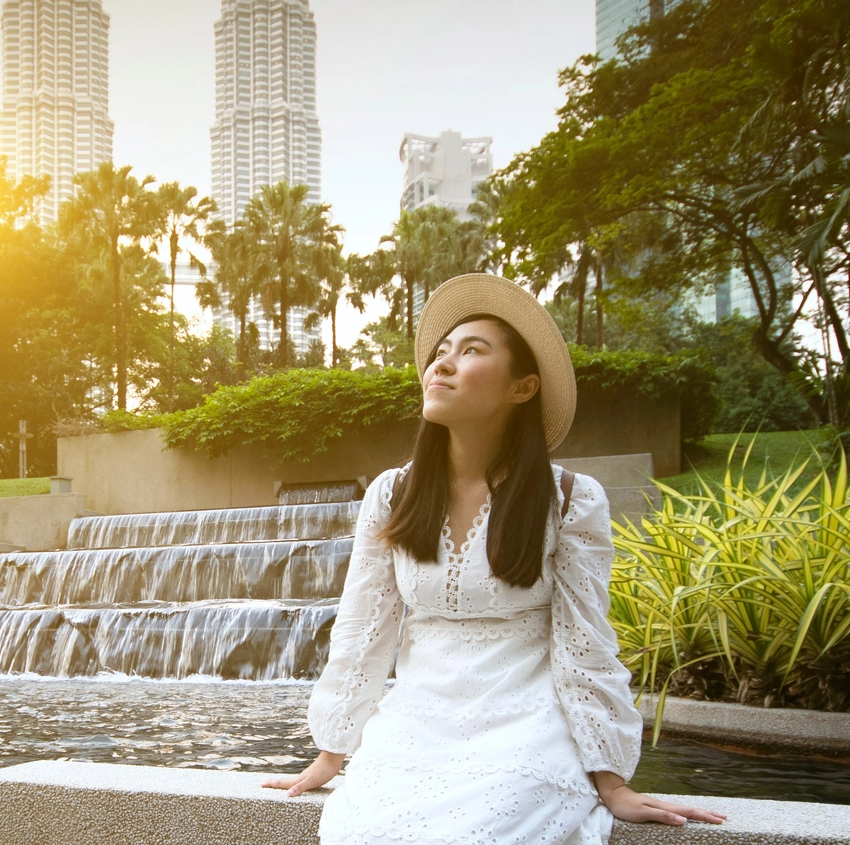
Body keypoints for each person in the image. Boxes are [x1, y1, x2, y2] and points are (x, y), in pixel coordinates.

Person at [263, 273, 724, 845]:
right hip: (416, 722)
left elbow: (585, 642)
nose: (443, 364)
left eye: (472, 351)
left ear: (522, 387)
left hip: (527, 721)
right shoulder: (392, 493)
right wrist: (332, 753)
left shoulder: (571, 499)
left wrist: (611, 781)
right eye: (440, 353)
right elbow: (363, 629)